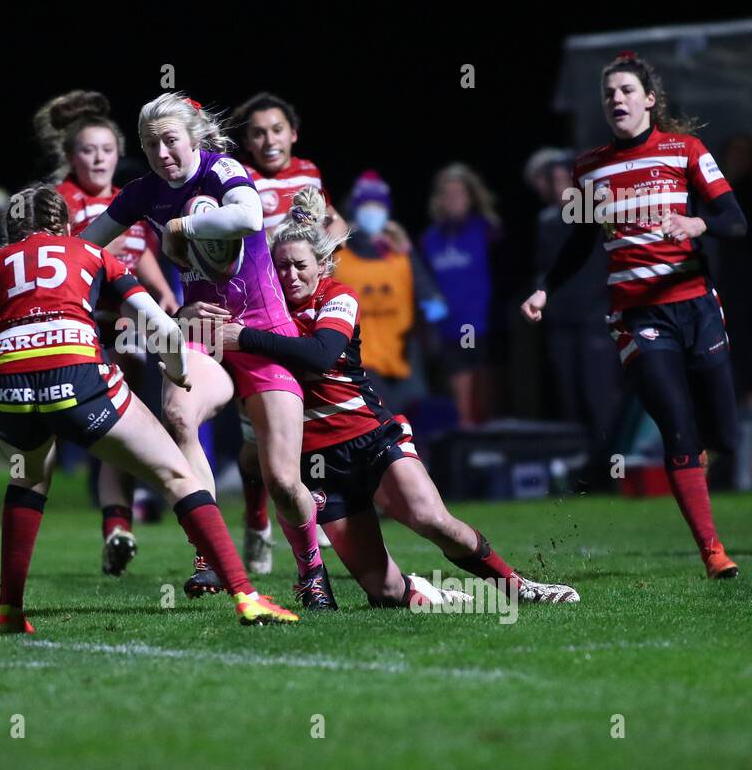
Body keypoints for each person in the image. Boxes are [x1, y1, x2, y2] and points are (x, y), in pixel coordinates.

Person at [0, 184, 298, 631]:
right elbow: (161, 325)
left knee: (30, 476)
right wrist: (178, 370)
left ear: (9, 234)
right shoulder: (90, 253)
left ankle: (9, 609)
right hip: (77, 378)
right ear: (66, 226)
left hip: (7, 391)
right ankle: (247, 595)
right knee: (176, 475)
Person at [219, 188, 578, 605]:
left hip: (370, 439)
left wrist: (243, 337)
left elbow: (323, 354)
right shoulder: (266, 311)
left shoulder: (337, 296)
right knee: (384, 592)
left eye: (300, 266)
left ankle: (520, 589)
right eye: (280, 268)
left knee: (433, 520)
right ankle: (440, 598)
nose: (290, 276)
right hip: (316, 462)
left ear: (322, 265)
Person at [79, 92, 333, 609]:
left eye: (170, 140)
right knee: (178, 412)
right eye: (150, 145)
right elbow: (84, 248)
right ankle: (210, 558)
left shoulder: (223, 171)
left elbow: (246, 218)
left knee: (282, 480)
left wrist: (182, 227)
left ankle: (311, 572)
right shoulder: (142, 192)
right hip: (204, 333)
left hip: (265, 331)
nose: (161, 153)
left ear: (194, 137)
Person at [521, 50, 750, 579]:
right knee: (677, 426)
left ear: (649, 99)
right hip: (637, 315)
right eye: (609, 94)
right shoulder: (589, 168)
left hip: (696, 305)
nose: (616, 100)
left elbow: (734, 220)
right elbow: (579, 243)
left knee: (725, 435)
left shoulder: (684, 150)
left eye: (626, 91)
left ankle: (710, 465)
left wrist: (697, 226)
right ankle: (713, 551)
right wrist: (546, 290)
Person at [34, 90, 177, 576]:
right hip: (71, 334)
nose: (97, 158)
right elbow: (39, 260)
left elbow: (140, 251)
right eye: (87, 151)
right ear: (71, 157)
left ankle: (118, 529)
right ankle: (24, 536)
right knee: (48, 441)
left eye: (106, 150)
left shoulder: (127, 198)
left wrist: (161, 290)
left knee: (120, 435)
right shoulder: (58, 203)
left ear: (119, 155)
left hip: (123, 335)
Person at [227, 91, 347, 571]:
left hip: (303, 306)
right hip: (256, 312)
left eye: (276, 129)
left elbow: (331, 225)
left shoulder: (310, 173)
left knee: (305, 413)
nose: (268, 139)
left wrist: (331, 229)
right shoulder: (239, 180)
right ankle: (257, 520)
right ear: (248, 142)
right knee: (257, 436)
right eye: (258, 132)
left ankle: (312, 507)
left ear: (292, 133)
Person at [531, 154, 620, 481]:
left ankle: (611, 468)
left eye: (563, 180)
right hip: (560, 322)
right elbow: (544, 268)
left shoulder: (598, 216)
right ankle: (582, 468)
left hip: (594, 318)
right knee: (569, 396)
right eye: (553, 181)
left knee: (598, 394)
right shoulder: (546, 221)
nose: (558, 187)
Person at [333, 171, 447, 415]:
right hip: (359, 359)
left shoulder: (402, 253)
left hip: (402, 358)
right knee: (376, 421)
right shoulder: (338, 254)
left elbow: (429, 294)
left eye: (377, 206)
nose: (372, 212)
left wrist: (433, 307)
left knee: (410, 424)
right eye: (366, 205)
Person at [419, 164, 502, 427]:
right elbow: (423, 285)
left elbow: (505, 278)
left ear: (470, 197)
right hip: (449, 329)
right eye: (448, 194)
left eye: (459, 193)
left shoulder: (487, 231)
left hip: (484, 327)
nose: (454, 199)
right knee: (461, 405)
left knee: (484, 400)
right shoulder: (429, 239)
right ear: (439, 200)